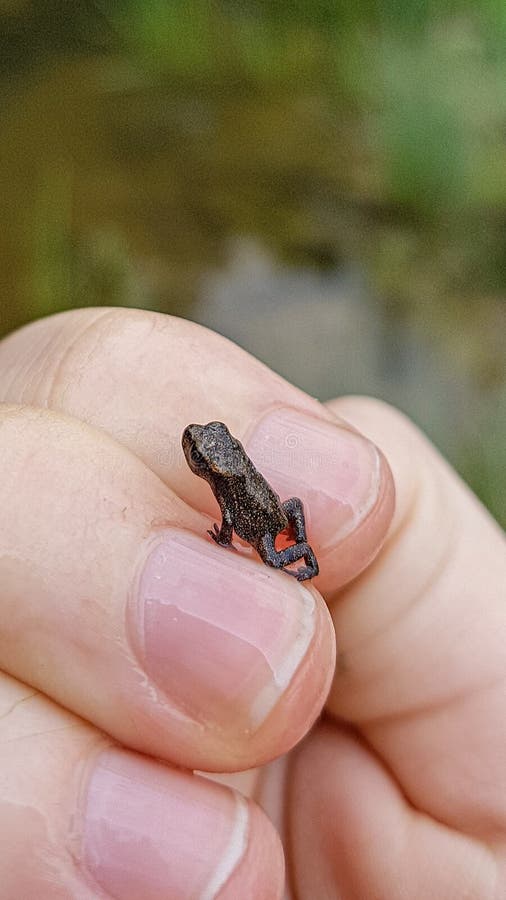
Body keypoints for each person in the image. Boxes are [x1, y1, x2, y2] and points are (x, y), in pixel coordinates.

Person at [0, 307, 503, 899]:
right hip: (268, 516)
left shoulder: (228, 487)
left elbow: (234, 523)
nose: (197, 452)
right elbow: (229, 513)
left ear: (218, 458)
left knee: (264, 547)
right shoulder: (224, 479)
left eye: (204, 450)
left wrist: (251, 551)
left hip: (265, 523)